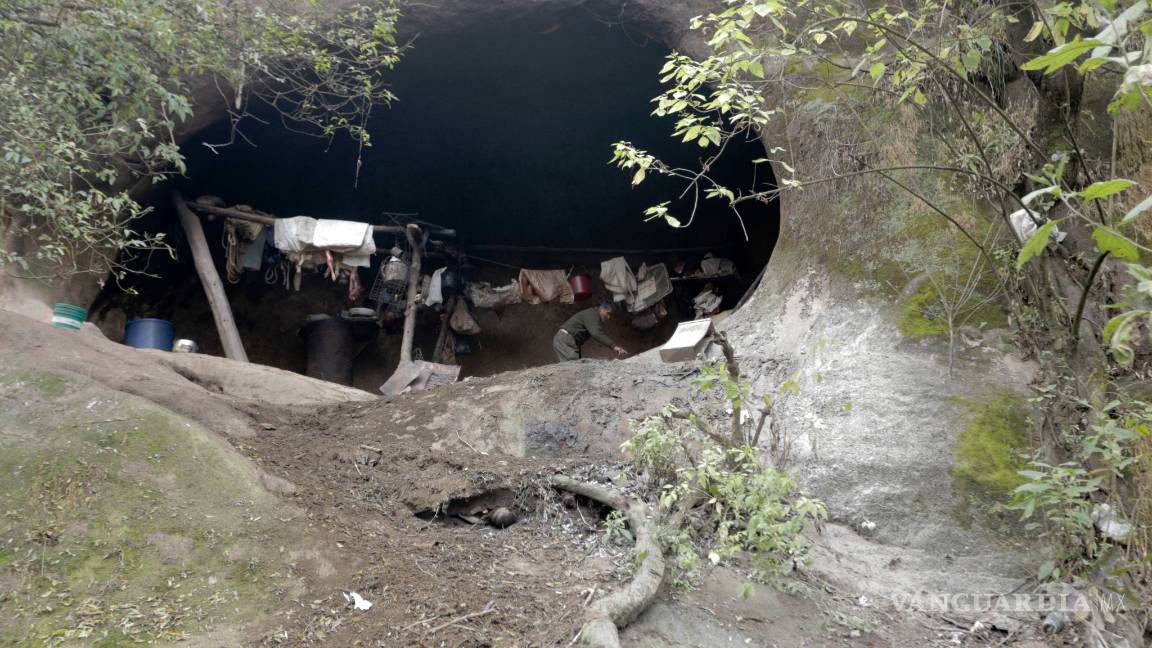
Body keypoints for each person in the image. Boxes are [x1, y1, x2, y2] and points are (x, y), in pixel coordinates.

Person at [553, 301, 628, 362]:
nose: (608, 317)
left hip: (568, 341)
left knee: (575, 365)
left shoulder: (594, 315)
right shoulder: (592, 314)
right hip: (565, 339)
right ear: (601, 309)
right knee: (573, 366)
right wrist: (613, 346)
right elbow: (596, 333)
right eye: (608, 313)